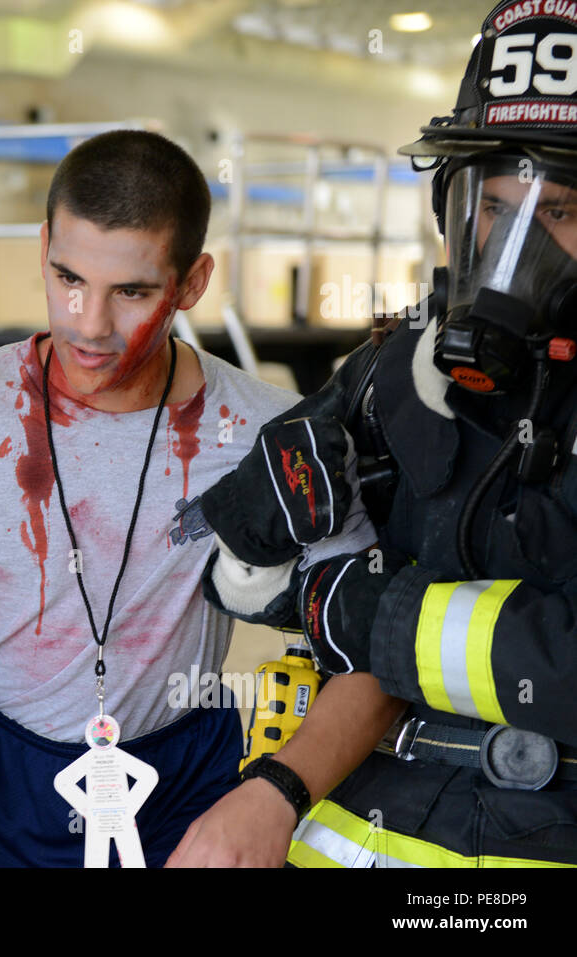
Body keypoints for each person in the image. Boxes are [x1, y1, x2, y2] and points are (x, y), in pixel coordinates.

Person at [0, 129, 390, 868]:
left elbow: (381, 650)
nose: (89, 323)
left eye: (132, 291)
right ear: (44, 243)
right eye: (68, 278)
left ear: (192, 282)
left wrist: (279, 789)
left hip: (191, 788)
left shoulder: (267, 433)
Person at [196, 0, 577, 867]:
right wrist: (256, 536)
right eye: (494, 206)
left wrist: (372, 617)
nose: (514, 248)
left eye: (554, 213)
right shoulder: (400, 368)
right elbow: (241, 585)